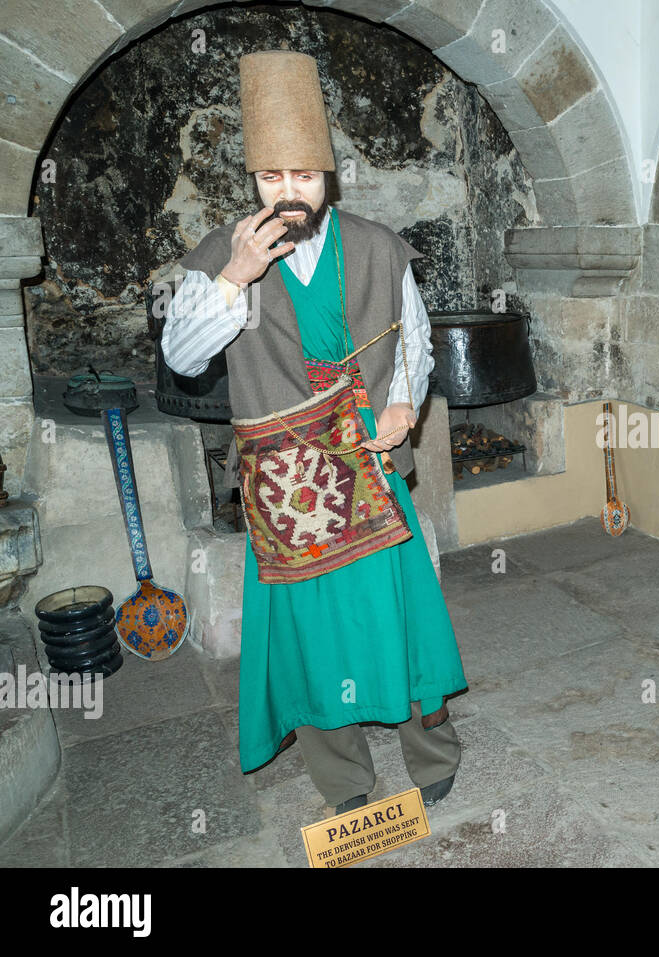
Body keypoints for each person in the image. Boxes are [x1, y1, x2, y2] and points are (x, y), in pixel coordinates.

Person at [161, 51, 467, 816]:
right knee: (314, 637)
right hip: (284, 486)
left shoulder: (376, 246)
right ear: (255, 180)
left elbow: (416, 341)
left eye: (303, 175)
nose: (288, 192)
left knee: (403, 615)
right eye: (272, 178)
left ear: (329, 176)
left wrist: (404, 408)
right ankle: (345, 781)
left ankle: (433, 750)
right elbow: (181, 356)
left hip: (370, 463)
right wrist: (233, 276)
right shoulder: (224, 255)